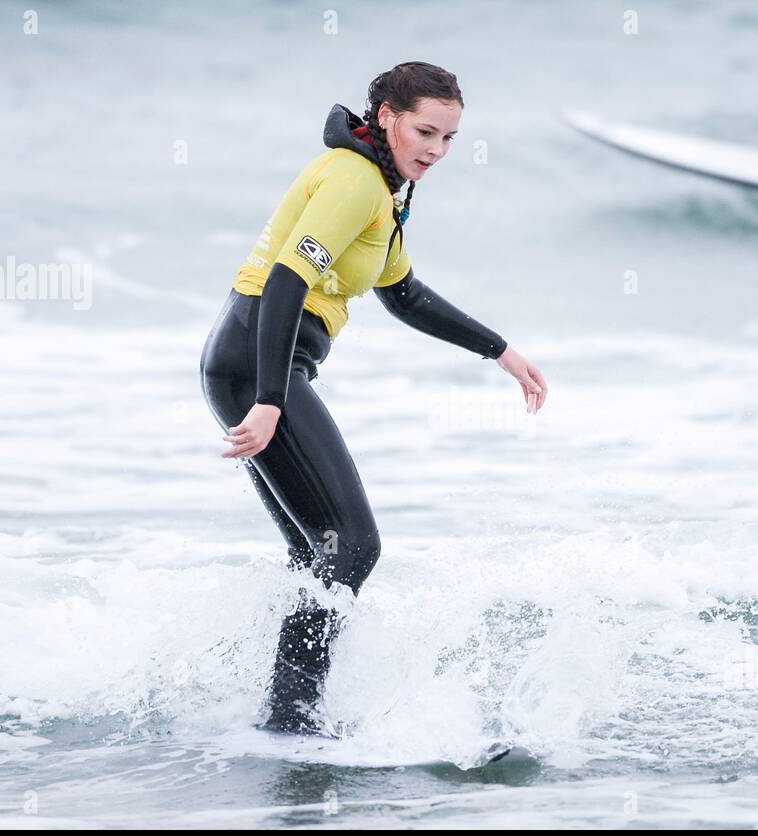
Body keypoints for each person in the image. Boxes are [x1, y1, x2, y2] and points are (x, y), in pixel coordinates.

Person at [199, 62, 548, 736]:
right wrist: (270, 396)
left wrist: (499, 350)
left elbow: (404, 295)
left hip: (251, 362)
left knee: (317, 549)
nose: (436, 150)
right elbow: (283, 282)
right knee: (352, 545)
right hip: (256, 362)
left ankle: (282, 716)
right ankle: (292, 722)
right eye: (425, 131)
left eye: (449, 139)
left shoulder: (382, 190)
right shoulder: (355, 180)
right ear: (385, 115)